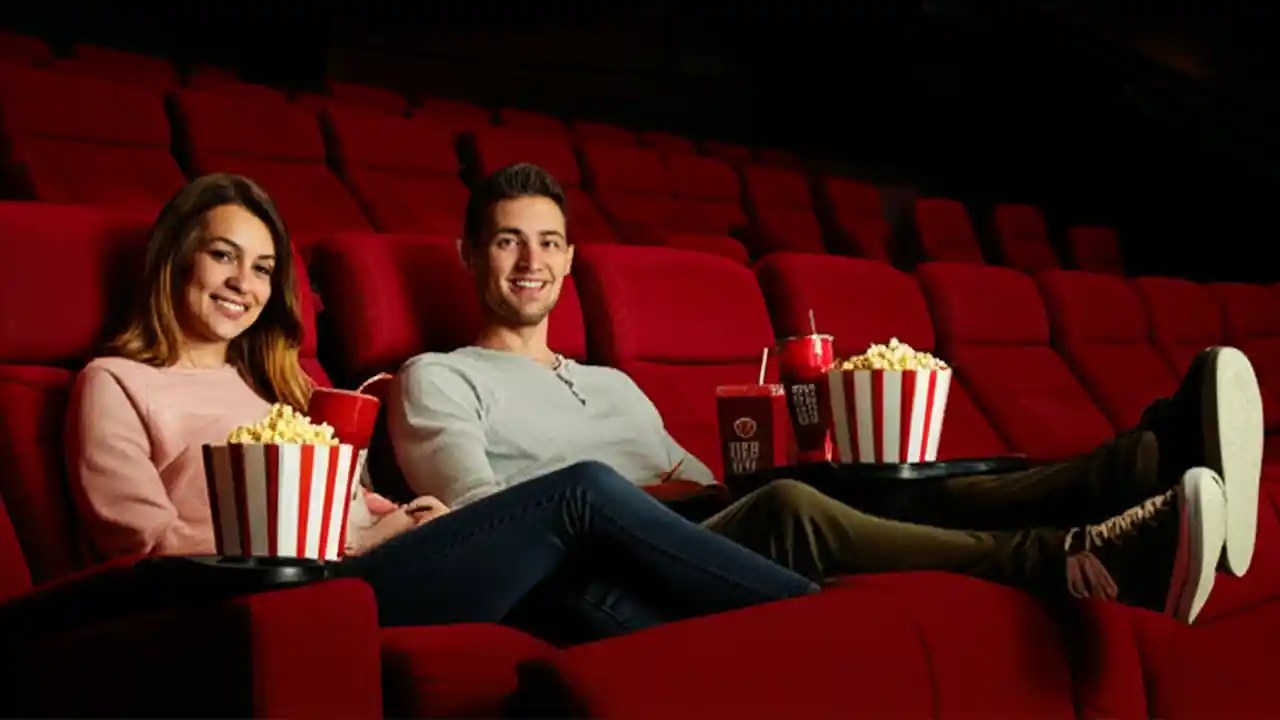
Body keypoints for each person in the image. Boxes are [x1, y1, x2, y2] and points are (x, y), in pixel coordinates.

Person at [388, 162, 1265, 626]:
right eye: (507, 242)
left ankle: (1140, 461)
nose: (531, 262)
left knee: (861, 475)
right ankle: (1067, 558)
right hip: (600, 566)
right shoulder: (440, 377)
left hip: (692, 523)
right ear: (472, 257)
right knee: (795, 504)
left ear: (572, 259)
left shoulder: (612, 383)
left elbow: (698, 478)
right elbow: (485, 516)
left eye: (548, 242)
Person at [67, 173, 817, 642]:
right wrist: (362, 541)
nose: (244, 283)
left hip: (364, 564)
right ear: (175, 259)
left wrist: (400, 513)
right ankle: (812, 614)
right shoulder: (117, 382)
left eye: (262, 266)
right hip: (292, 595)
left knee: (586, 595)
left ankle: (781, 659)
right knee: (582, 495)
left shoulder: (270, 385)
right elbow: (143, 549)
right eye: (222, 255)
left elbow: (348, 505)